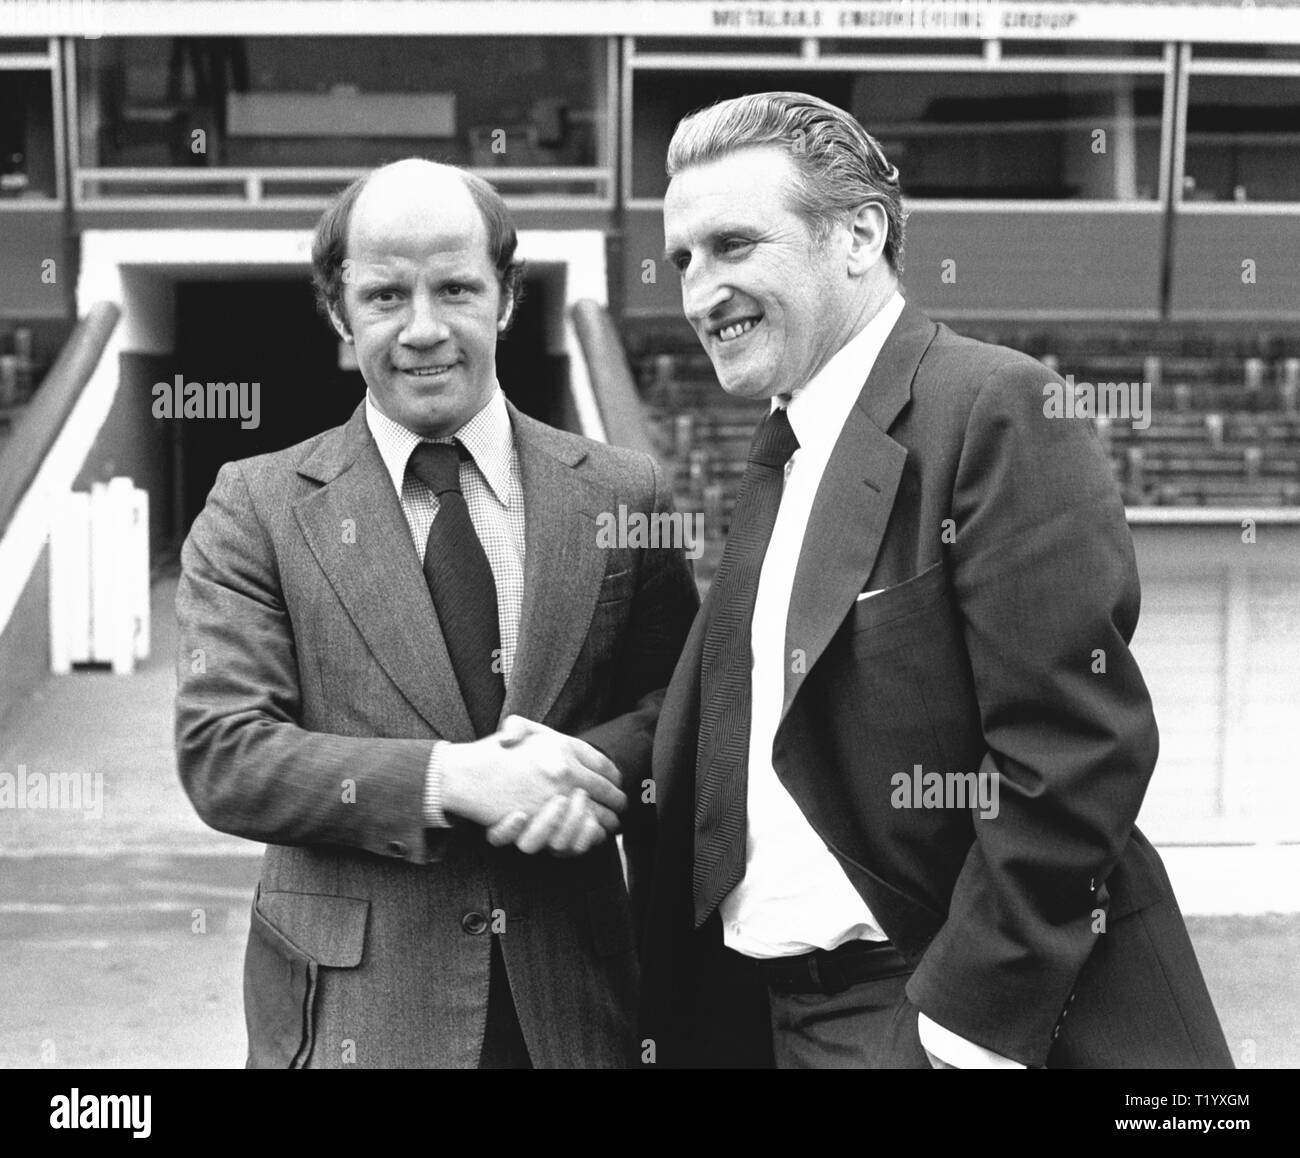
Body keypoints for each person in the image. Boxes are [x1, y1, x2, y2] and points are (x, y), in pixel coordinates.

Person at [638, 91, 1232, 1069]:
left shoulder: (996, 405)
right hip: (773, 1016)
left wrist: (961, 1031)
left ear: (860, 234)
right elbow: (740, 737)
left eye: (734, 245)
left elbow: (1072, 748)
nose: (701, 292)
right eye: (684, 261)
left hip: (928, 1016)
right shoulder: (783, 450)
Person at [174, 158, 698, 1068]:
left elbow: (684, 708)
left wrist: (592, 774)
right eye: (384, 296)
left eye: (456, 288)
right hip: (355, 1014)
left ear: (505, 298)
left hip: (574, 1004)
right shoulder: (253, 504)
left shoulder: (624, 492)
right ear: (339, 314)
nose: (423, 330)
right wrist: (452, 780)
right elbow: (224, 754)